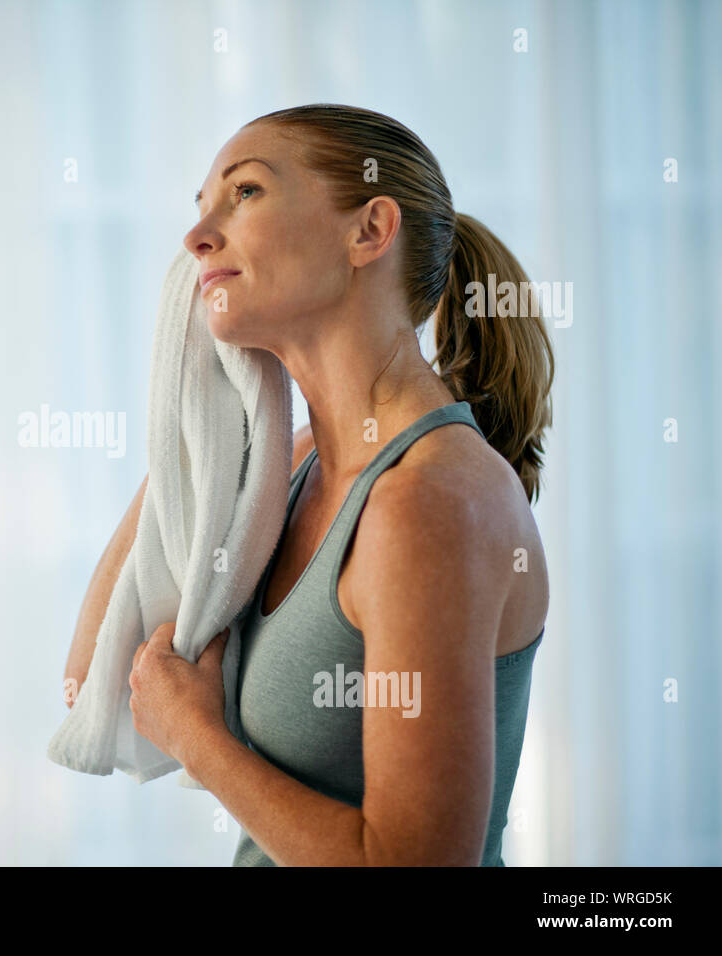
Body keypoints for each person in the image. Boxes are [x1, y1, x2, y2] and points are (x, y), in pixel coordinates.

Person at [63, 104, 553, 865]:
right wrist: (194, 416)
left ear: (369, 231)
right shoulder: (290, 467)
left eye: (246, 192)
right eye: (200, 210)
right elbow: (92, 672)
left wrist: (199, 738)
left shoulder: (426, 504)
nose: (196, 236)